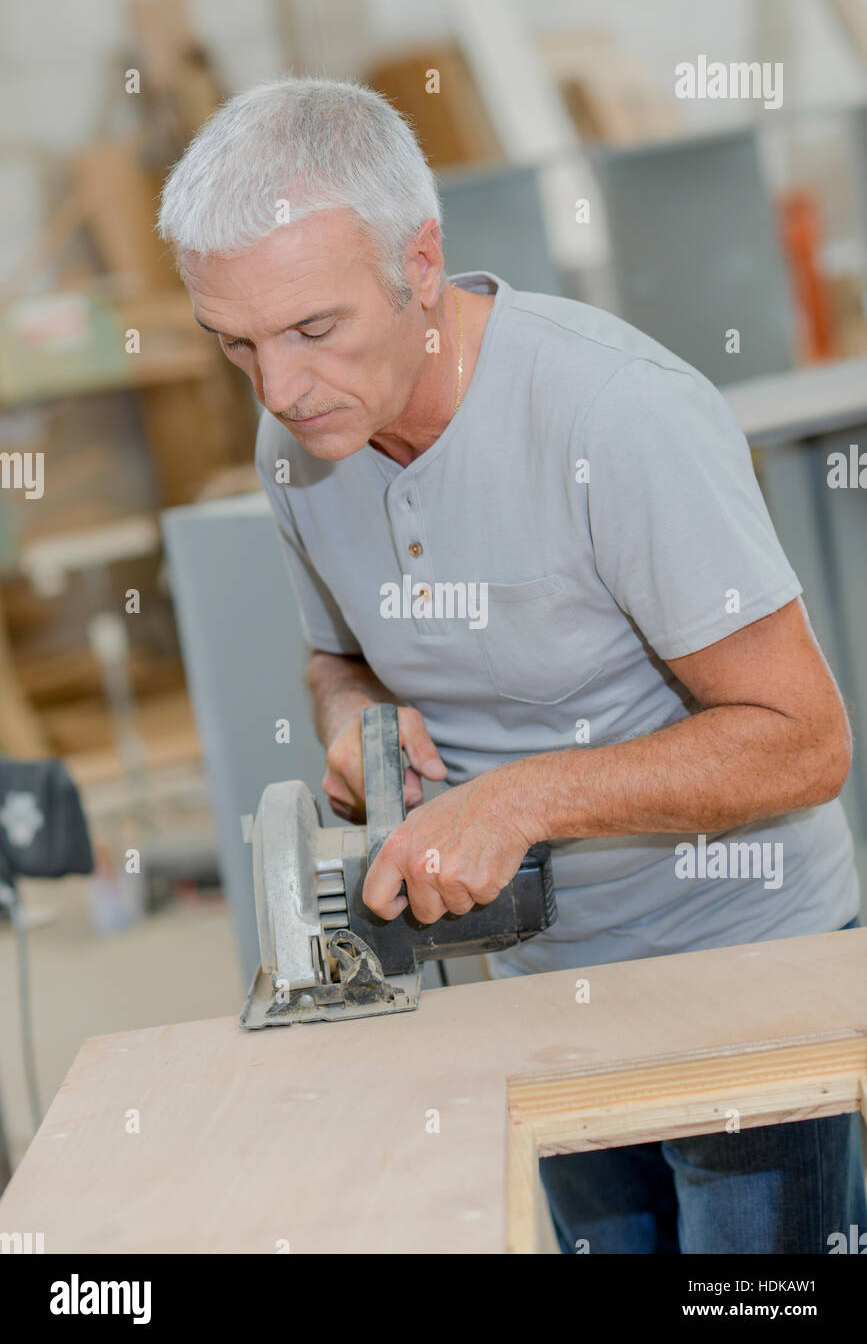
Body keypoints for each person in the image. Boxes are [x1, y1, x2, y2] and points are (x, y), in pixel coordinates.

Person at [159, 75, 865, 1253]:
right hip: (540, 987)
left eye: (312, 330)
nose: (278, 390)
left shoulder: (615, 418)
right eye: (235, 345)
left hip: (741, 967)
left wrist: (524, 797)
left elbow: (806, 740)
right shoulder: (303, 441)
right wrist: (354, 723)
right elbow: (336, 659)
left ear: (420, 263)